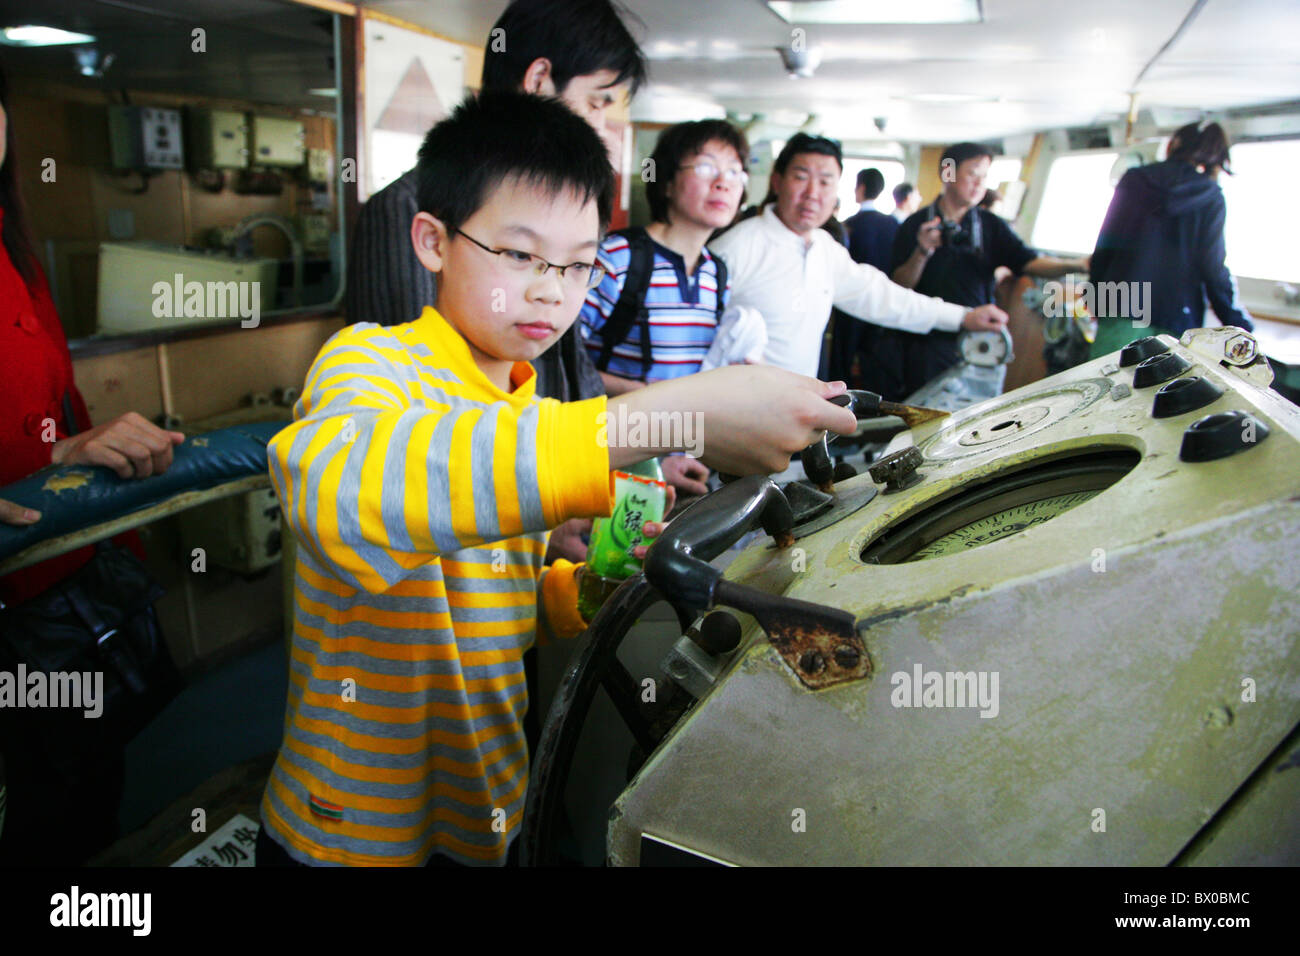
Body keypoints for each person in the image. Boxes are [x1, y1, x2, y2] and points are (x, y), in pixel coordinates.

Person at [255, 91, 859, 868]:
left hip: (486, 792)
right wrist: (657, 417)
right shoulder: (368, 361)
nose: (553, 290)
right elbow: (343, 496)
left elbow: (490, 600)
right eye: (519, 256)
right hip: (351, 819)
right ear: (433, 241)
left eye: (579, 265)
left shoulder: (524, 399)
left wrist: (580, 586)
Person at [0, 65, 185, 865]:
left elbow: (51, 409)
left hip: (66, 587)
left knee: (83, 796)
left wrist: (74, 453)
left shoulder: (13, 242)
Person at [346, 0, 647, 408]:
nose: (600, 126)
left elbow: (572, 367)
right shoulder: (403, 206)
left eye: (579, 266)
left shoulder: (564, 226)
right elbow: (418, 391)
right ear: (540, 79)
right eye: (596, 102)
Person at [709, 133, 1007, 382]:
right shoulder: (736, 248)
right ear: (777, 182)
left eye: (826, 182)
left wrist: (963, 317)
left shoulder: (824, 248)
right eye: (801, 178)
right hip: (737, 413)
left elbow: (884, 298)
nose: (813, 193)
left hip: (796, 412)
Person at [579, 119, 750, 497]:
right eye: (705, 167)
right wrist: (647, 399)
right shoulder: (619, 259)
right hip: (606, 458)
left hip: (680, 463)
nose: (723, 182)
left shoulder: (717, 274)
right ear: (668, 182)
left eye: (735, 172)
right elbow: (558, 363)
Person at [889, 142, 1088, 396]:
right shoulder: (914, 226)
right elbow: (899, 287)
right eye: (972, 174)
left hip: (977, 337)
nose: (979, 184)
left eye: (984, 177)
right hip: (924, 340)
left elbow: (1028, 261)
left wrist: (1078, 264)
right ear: (947, 173)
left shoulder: (990, 226)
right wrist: (923, 250)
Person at [1088, 120, 1252, 358]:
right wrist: (1238, 323)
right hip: (1176, 317)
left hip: (1121, 304)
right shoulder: (1211, 196)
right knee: (1156, 392)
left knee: (1103, 387)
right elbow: (1212, 266)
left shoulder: (1134, 180)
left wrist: (1096, 298)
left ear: (1174, 143)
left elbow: (1106, 245)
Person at [832, 167, 903, 392]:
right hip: (884, 301)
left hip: (850, 303)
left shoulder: (848, 226)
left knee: (843, 356)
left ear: (860, 188)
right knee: (874, 357)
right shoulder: (893, 225)